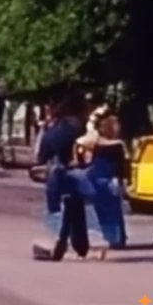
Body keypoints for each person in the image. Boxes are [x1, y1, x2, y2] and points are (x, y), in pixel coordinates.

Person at [33, 97, 92, 261]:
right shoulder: (82, 127)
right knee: (75, 207)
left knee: (58, 209)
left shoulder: (54, 127)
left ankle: (61, 241)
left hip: (56, 170)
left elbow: (41, 154)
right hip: (76, 171)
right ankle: (80, 245)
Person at [86, 113, 129, 249]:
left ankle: (111, 236)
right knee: (115, 210)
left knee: (103, 210)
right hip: (111, 178)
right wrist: (123, 180)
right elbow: (121, 165)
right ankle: (118, 238)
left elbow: (91, 162)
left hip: (97, 178)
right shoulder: (118, 145)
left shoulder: (96, 143)